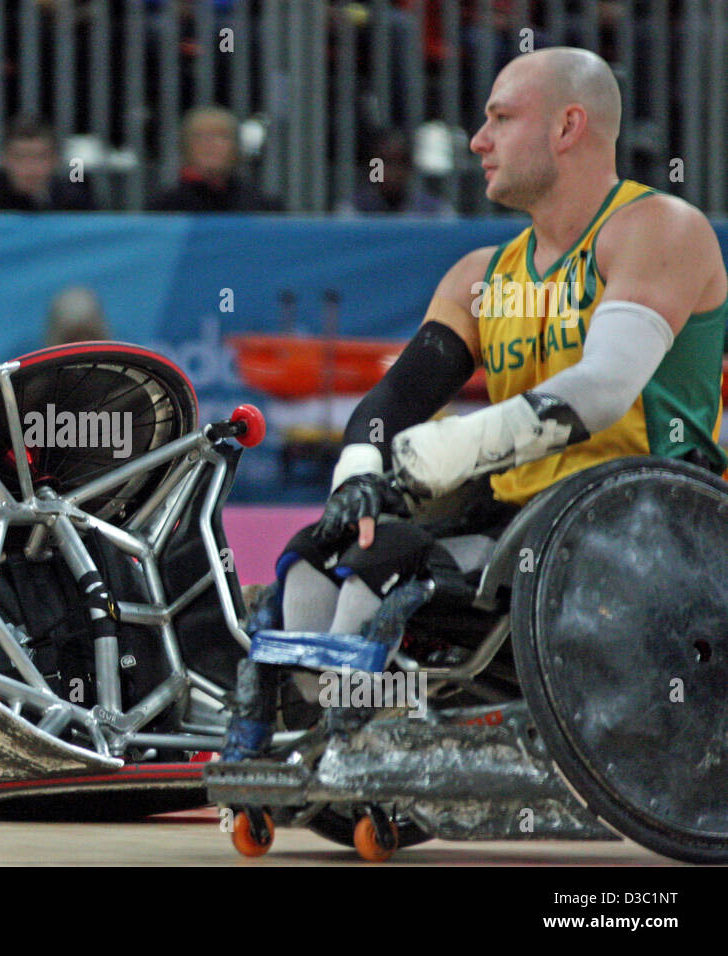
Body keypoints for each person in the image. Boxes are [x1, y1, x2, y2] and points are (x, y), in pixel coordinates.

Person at [238, 46, 726, 734]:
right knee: (324, 557)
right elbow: (392, 403)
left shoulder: (659, 228)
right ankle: (322, 744)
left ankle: (355, 744)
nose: (478, 140)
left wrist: (457, 446)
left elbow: (605, 388)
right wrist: (358, 474)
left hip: (646, 523)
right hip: (527, 524)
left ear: (567, 127)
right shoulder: (480, 274)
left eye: (500, 117)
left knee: (385, 566)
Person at [147, 106, 282, 213]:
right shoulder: (163, 209)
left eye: (221, 136)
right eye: (200, 136)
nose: (210, 144)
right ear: (184, 146)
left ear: (236, 147)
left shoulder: (262, 207)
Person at [0, 115, 96, 211]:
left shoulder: (73, 202)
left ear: (55, 160)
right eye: (20, 157)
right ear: (5, 159)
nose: (30, 167)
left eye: (40, 157)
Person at [340, 127, 455, 217]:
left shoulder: (435, 212)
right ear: (372, 168)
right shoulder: (352, 211)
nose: (392, 171)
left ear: (410, 167)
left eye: (400, 162)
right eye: (383, 162)